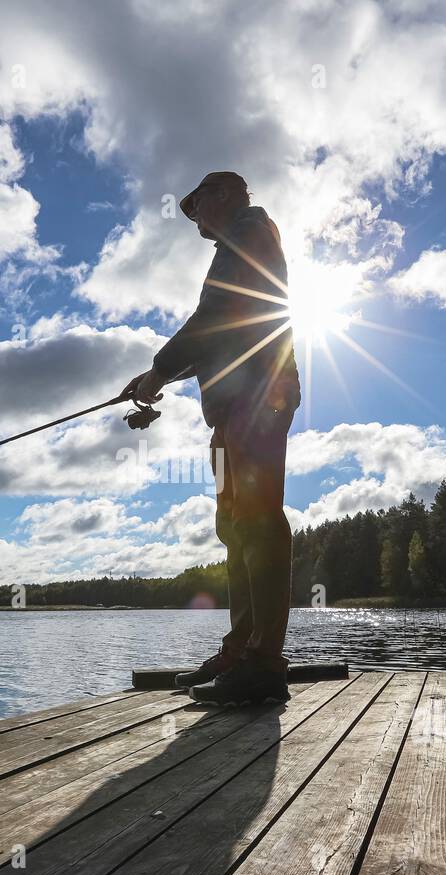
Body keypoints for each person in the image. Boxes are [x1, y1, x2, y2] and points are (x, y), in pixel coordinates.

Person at [121, 171, 300, 706]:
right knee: (233, 523)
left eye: (195, 203)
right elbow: (219, 334)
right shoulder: (236, 240)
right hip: (229, 411)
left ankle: (264, 665)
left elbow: (216, 312)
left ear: (225, 193)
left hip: (259, 401)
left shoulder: (249, 228)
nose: (193, 216)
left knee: (258, 520)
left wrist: (158, 368)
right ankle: (241, 649)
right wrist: (158, 380)